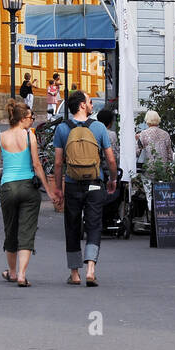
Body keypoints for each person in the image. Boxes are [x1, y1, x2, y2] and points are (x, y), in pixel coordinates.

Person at [52, 91, 116, 286]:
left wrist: (57, 188)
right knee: (94, 225)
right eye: (89, 102)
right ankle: (90, 269)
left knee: (72, 226)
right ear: (82, 105)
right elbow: (110, 159)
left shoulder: (62, 129)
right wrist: (113, 178)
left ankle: (74, 274)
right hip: (95, 182)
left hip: (72, 183)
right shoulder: (98, 128)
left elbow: (57, 163)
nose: (91, 105)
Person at [0, 98, 57, 286]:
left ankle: (11, 272)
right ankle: (21, 275)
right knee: (27, 232)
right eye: (30, 117)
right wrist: (48, 190)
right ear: (22, 119)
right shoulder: (30, 136)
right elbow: (37, 165)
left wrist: (5, 172)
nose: (32, 120)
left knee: (11, 230)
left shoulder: (0, 138)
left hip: (8, 187)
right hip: (28, 187)